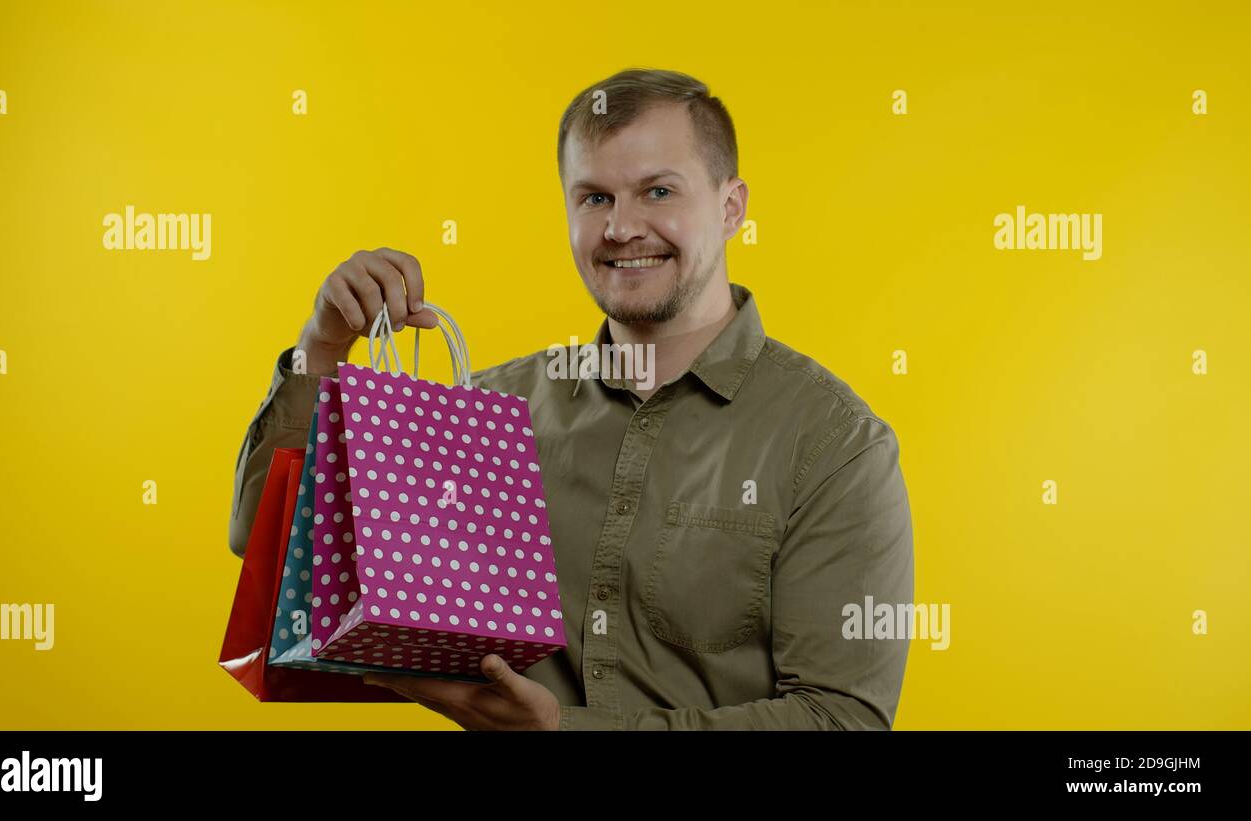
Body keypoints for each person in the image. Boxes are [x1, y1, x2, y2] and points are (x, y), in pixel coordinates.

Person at [228, 68, 914, 730]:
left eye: (658, 192)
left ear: (731, 207)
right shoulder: (492, 413)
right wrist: (320, 352)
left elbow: (841, 718)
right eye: (594, 197)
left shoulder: (835, 445)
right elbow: (281, 559)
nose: (621, 228)